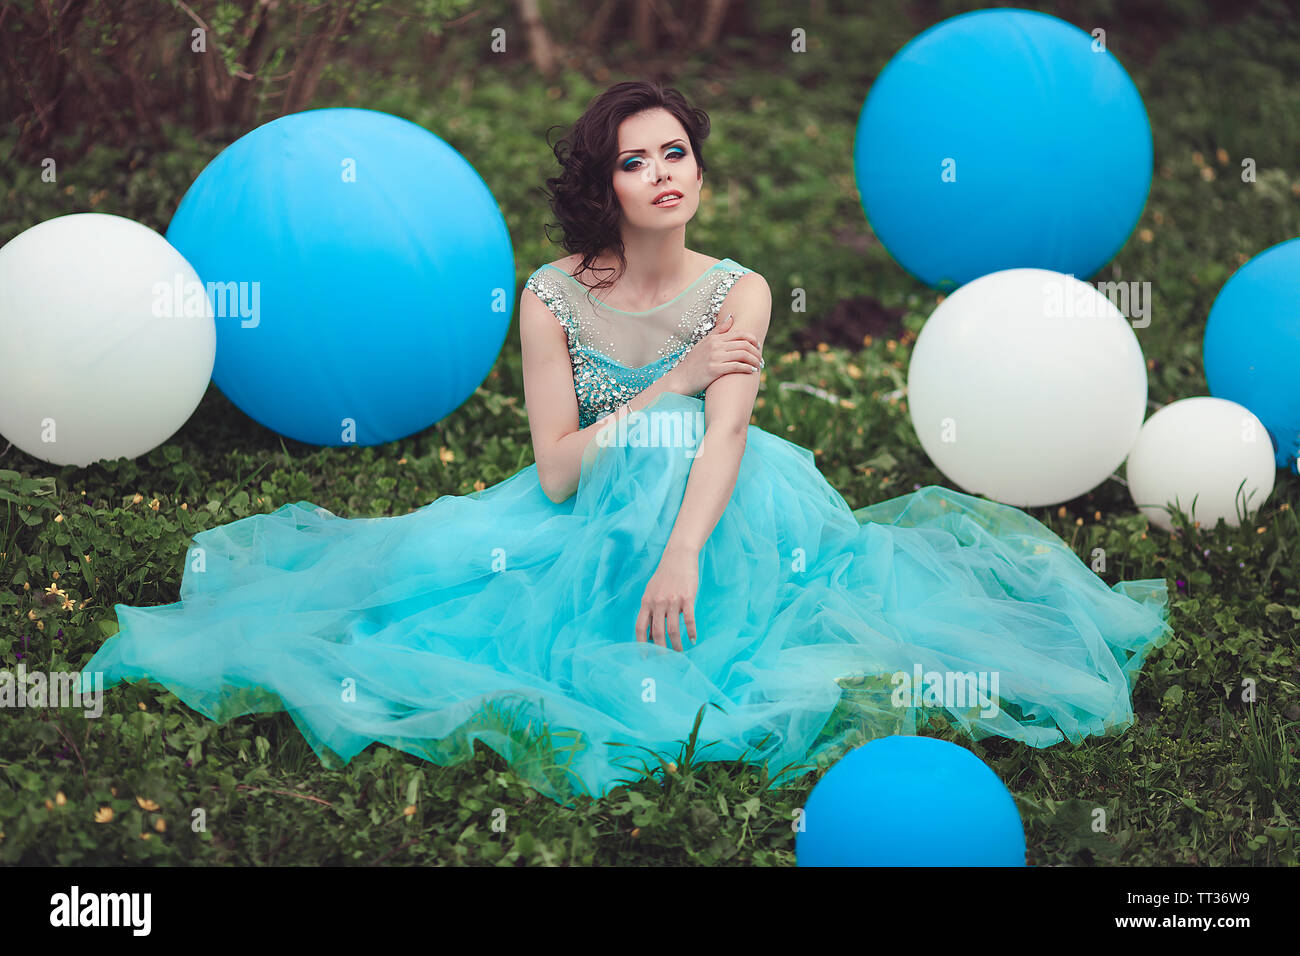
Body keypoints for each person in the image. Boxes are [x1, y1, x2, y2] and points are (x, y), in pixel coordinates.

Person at [83, 80, 1173, 808]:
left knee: (738, 645)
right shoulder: (553, 296)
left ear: (698, 171)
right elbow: (558, 464)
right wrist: (676, 380)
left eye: (678, 154)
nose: (664, 173)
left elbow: (726, 438)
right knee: (427, 600)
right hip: (583, 504)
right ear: (601, 183)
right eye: (634, 159)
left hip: (730, 509)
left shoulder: (739, 290)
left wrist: (688, 546)